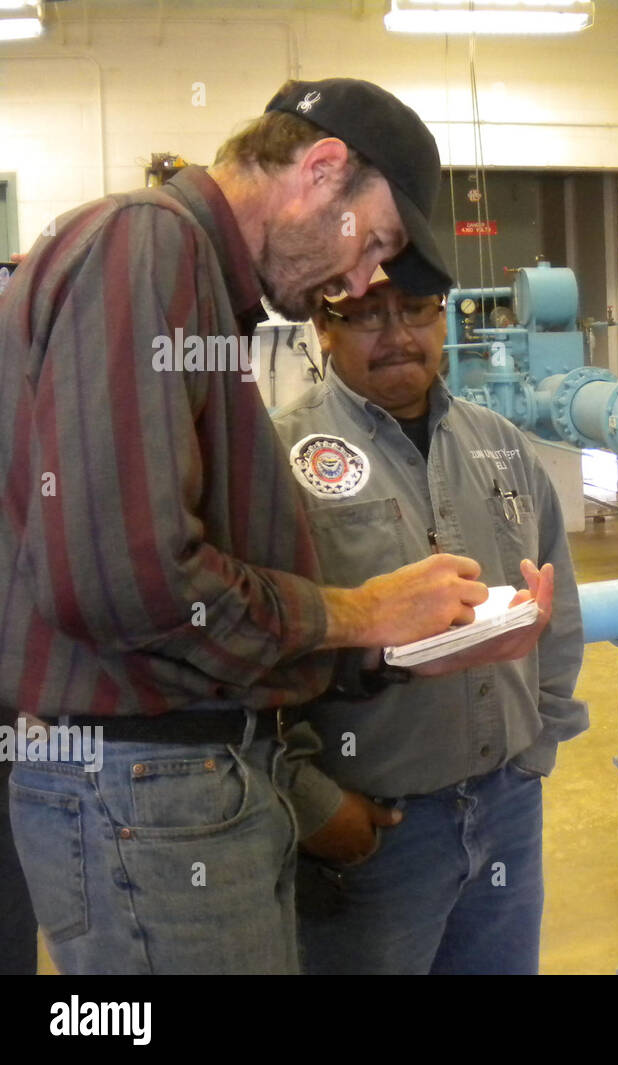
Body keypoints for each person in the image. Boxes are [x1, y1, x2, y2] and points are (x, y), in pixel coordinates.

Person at [0, 77, 528, 975]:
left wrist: (384, 646)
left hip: (177, 784)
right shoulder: (146, 243)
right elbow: (127, 582)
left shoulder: (200, 289)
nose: (363, 281)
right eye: (378, 244)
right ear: (322, 171)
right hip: (149, 787)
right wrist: (361, 612)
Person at [271, 267, 586, 974]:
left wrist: (538, 748)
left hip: (507, 811)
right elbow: (254, 648)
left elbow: (557, 611)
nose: (397, 335)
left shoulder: (502, 446)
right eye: (366, 315)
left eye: (415, 309)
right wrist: (312, 802)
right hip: (375, 833)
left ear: (443, 318)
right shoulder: (279, 459)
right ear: (323, 326)